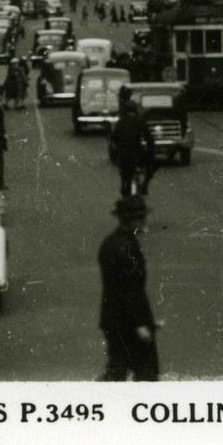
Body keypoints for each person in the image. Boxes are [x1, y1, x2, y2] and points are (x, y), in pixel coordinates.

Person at [98, 194, 159, 381]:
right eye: (141, 219)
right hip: (129, 322)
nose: (144, 222)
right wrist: (141, 324)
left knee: (117, 367)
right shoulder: (128, 249)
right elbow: (131, 290)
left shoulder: (109, 243)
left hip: (112, 318)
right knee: (145, 371)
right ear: (131, 221)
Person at [109, 86, 154, 197]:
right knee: (150, 167)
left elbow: (114, 139)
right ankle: (144, 186)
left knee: (125, 179)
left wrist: (118, 150)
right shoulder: (139, 122)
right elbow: (150, 140)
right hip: (136, 154)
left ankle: (125, 193)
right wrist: (150, 152)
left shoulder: (121, 122)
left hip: (124, 155)